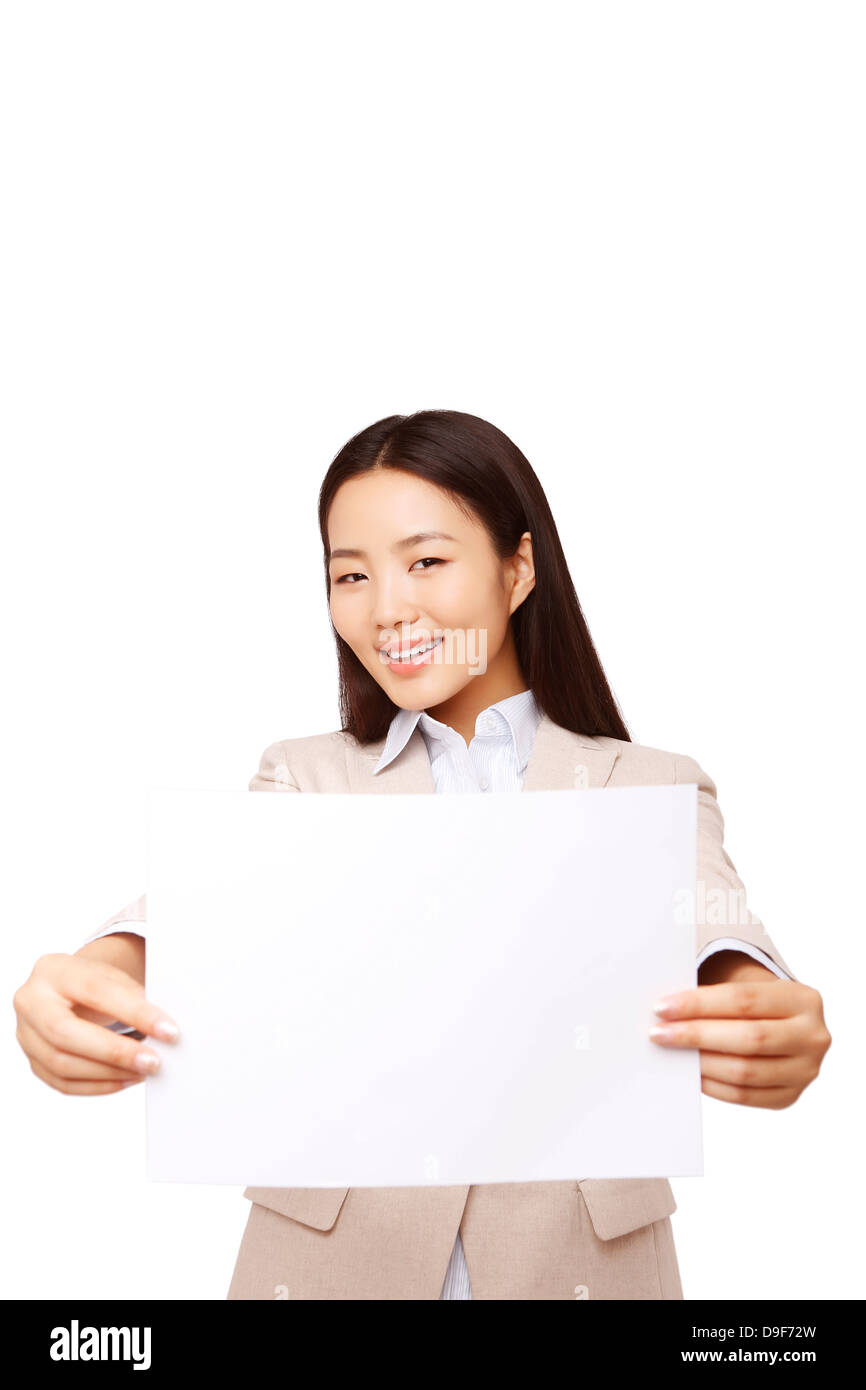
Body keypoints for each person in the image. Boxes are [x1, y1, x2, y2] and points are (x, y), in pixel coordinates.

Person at [12, 409, 832, 1300]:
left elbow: (722, 942)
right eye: (351, 575)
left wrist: (756, 1007)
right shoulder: (305, 778)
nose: (388, 608)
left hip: (583, 1271)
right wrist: (97, 971)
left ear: (518, 568)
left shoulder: (651, 784)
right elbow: (202, 918)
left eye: (427, 561)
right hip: (331, 1268)